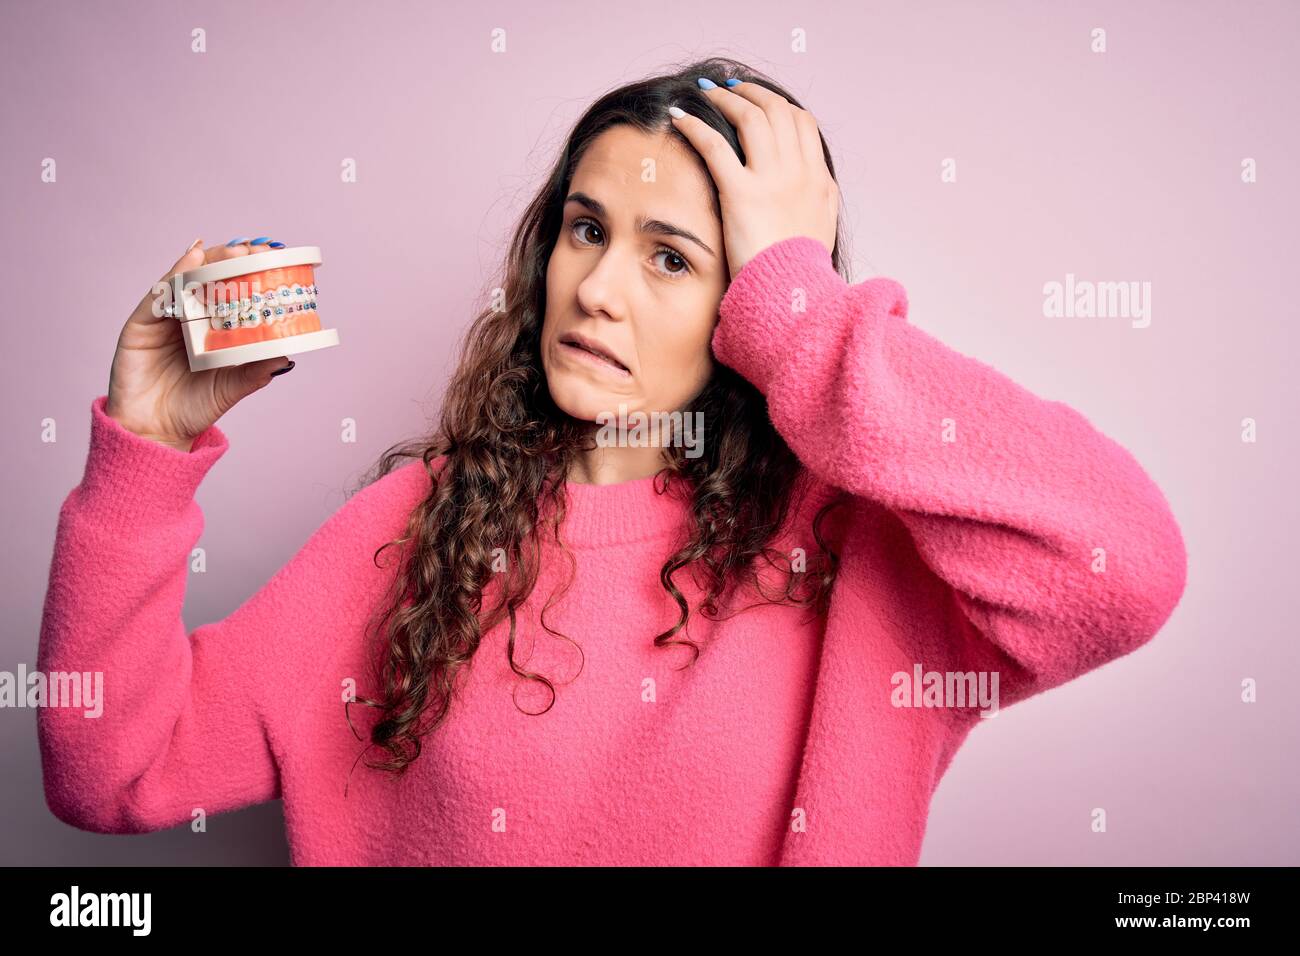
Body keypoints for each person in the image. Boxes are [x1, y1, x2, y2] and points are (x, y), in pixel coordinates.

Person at [36, 57, 1188, 866]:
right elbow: (108, 768)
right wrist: (149, 445)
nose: (596, 288)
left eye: (671, 258)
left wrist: (809, 318)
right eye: (587, 230)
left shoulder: (856, 551)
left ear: (751, 294)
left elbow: (1123, 565)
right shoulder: (418, 529)